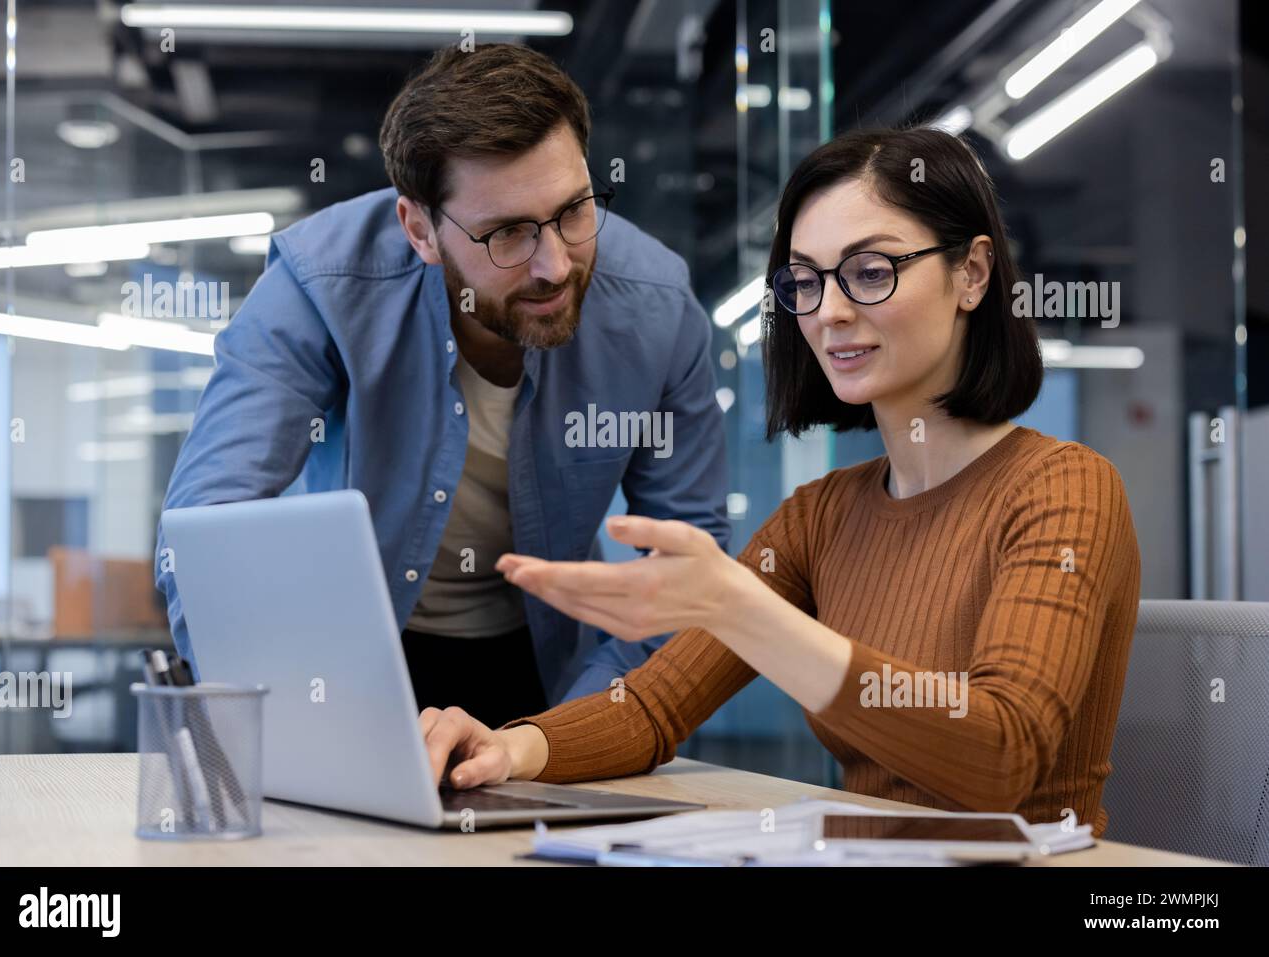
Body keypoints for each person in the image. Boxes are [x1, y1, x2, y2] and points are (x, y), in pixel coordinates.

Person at [421, 126, 1143, 838]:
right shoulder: (821, 516)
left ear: (972, 274)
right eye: (805, 281)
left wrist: (745, 611)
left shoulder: (1066, 489)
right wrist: (509, 747)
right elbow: (650, 707)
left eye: (870, 271)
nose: (828, 311)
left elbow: (1002, 757)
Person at [155, 43, 729, 729]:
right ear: (419, 229)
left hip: (554, 667)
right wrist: (292, 722)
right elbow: (205, 538)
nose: (555, 264)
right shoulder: (322, 285)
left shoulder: (656, 308)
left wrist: (570, 737)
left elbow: (692, 568)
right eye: (507, 234)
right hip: (350, 665)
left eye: (575, 210)